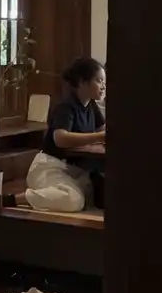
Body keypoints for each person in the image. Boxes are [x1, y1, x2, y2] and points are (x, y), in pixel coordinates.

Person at [14, 57, 106, 213]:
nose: (103, 86)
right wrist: (99, 137)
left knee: (102, 196)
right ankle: (16, 199)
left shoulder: (91, 105)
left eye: (104, 81)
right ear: (82, 82)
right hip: (50, 167)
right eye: (99, 81)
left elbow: (104, 129)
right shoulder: (66, 106)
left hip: (75, 170)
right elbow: (60, 138)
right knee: (74, 201)